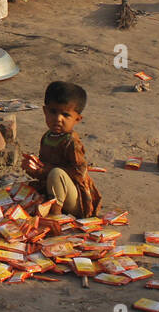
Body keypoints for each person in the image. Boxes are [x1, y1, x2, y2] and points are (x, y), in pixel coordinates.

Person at [22, 81, 103, 217]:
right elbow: (44, 172)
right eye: (53, 112)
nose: (58, 119)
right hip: (54, 189)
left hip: (75, 200)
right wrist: (34, 169)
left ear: (77, 119)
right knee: (23, 189)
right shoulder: (47, 137)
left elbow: (79, 172)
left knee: (56, 174)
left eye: (66, 115)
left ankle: (55, 214)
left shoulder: (71, 142)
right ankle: (48, 206)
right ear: (45, 111)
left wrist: (47, 170)